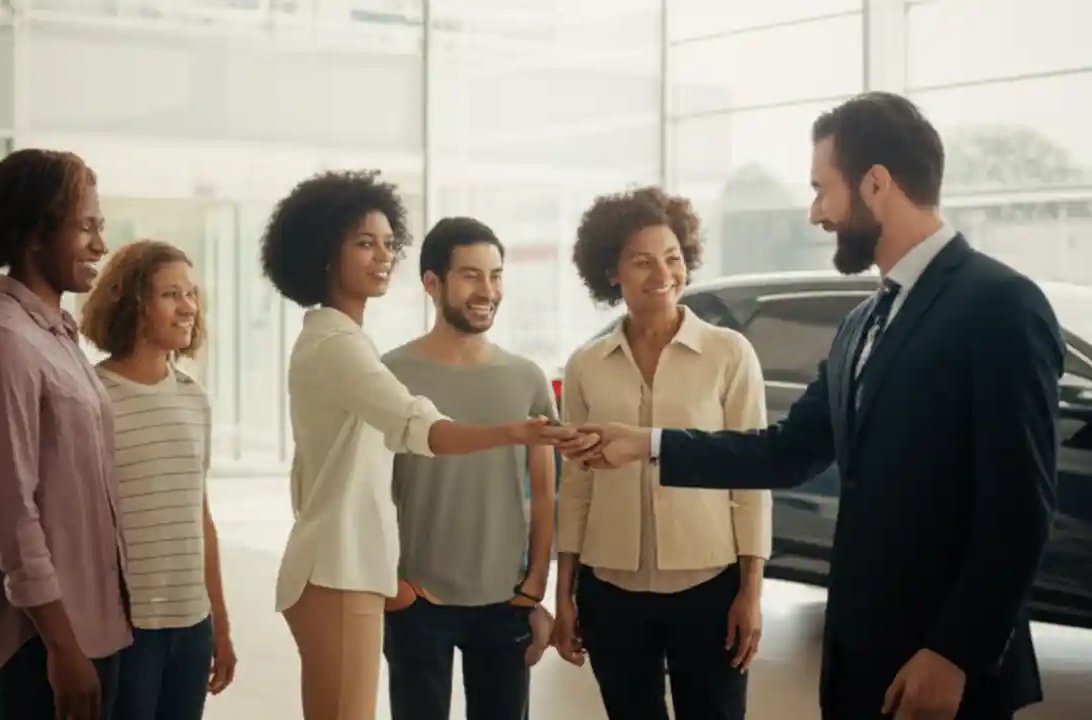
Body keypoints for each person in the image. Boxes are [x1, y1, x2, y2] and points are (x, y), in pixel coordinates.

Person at [567, 92, 1062, 720]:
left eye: (823, 189)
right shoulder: (861, 323)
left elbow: (1019, 508)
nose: (815, 213)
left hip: (943, 671)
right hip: (862, 661)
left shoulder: (1001, 305)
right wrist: (649, 444)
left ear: (875, 183)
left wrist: (956, 652)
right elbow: (786, 451)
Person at [260, 170, 581, 720]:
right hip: (346, 570)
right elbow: (421, 428)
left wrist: (534, 587)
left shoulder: (345, 342)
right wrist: (515, 430)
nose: (383, 255)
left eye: (388, 243)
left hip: (359, 572)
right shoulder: (344, 349)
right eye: (364, 242)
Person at [550, 188, 771, 720]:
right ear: (612, 272)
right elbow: (576, 484)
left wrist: (751, 592)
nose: (662, 273)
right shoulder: (586, 364)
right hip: (611, 590)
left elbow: (751, 475)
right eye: (642, 261)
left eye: (672, 258)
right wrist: (564, 594)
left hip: (708, 586)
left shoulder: (728, 353)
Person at [0, 149, 130, 720]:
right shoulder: (1, 346)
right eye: (86, 227)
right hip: (45, 644)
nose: (101, 245)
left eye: (100, 227)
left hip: (97, 629)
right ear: (33, 233)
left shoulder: (55, 336)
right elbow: (10, 515)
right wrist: (62, 647)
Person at [381, 217, 559, 720]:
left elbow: (545, 493)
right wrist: (392, 586)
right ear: (432, 283)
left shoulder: (526, 378)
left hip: (505, 603)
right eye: (471, 275)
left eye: (496, 275)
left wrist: (534, 587)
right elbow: (370, 491)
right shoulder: (391, 375)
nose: (487, 290)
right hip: (417, 602)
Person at [79, 240, 237, 719]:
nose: (189, 306)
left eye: (191, 293)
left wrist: (221, 628)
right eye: (171, 294)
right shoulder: (91, 396)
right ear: (133, 304)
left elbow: (199, 517)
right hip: (127, 631)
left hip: (192, 626)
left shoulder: (194, 398)